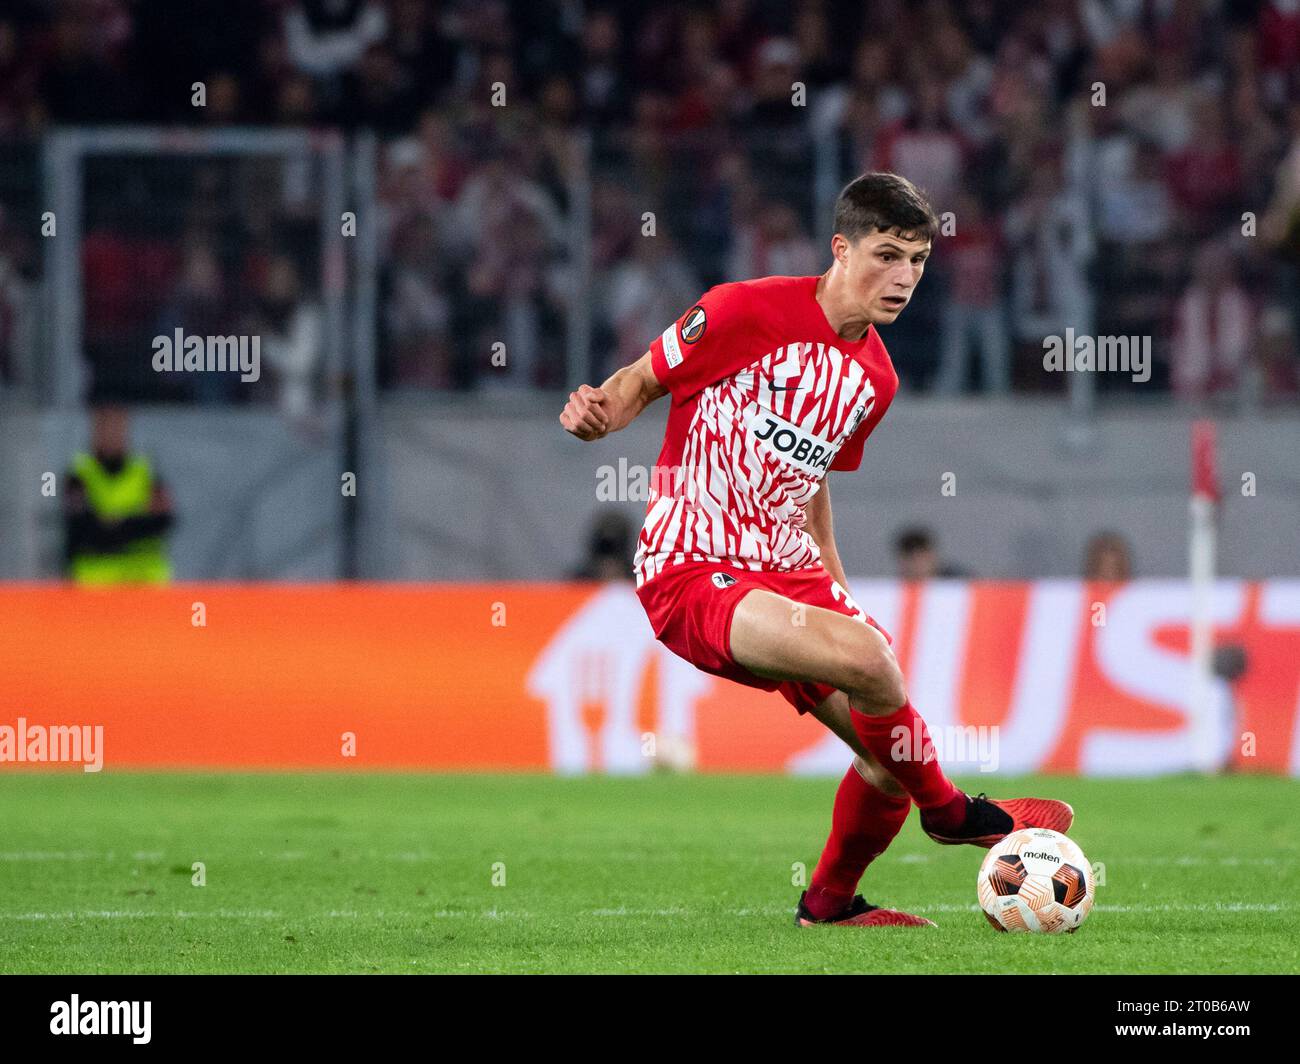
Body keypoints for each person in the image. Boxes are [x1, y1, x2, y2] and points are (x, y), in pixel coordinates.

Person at [559, 172, 1072, 929]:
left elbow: (810, 480)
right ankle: (954, 812)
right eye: (888, 254)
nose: (903, 278)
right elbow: (641, 379)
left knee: (885, 749)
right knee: (874, 670)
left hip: (786, 572)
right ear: (841, 248)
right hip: (693, 567)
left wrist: (834, 590)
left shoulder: (878, 379)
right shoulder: (744, 309)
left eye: (919, 261)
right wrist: (600, 414)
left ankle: (828, 904)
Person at [63, 405, 175, 584]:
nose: (111, 434)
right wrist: (132, 524)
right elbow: (78, 525)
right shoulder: (79, 473)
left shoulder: (146, 471)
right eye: (104, 427)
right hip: (96, 582)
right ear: (95, 432)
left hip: (144, 579)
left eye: (117, 427)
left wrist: (112, 524)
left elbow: (163, 521)